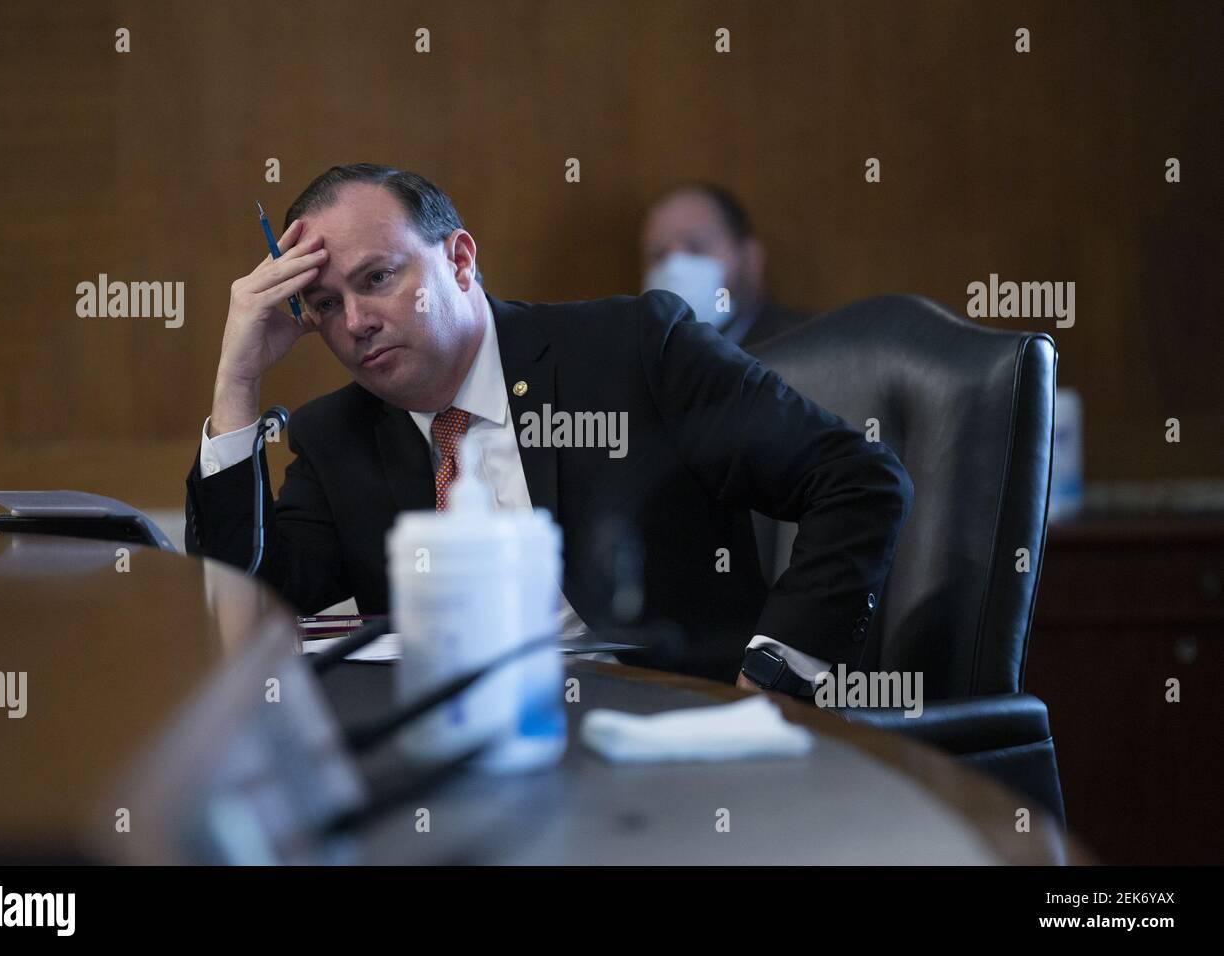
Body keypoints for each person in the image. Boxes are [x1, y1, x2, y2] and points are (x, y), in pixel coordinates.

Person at [185, 163, 911, 690]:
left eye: (377, 278)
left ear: (460, 261)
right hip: (457, 770)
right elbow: (245, 608)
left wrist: (778, 671)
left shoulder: (629, 351)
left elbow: (856, 480)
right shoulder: (335, 435)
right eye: (322, 304)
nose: (355, 323)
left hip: (667, 741)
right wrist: (237, 379)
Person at [641, 182, 807, 347]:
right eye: (658, 255)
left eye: (697, 246)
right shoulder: (637, 362)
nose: (674, 269)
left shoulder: (809, 346)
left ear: (750, 258)